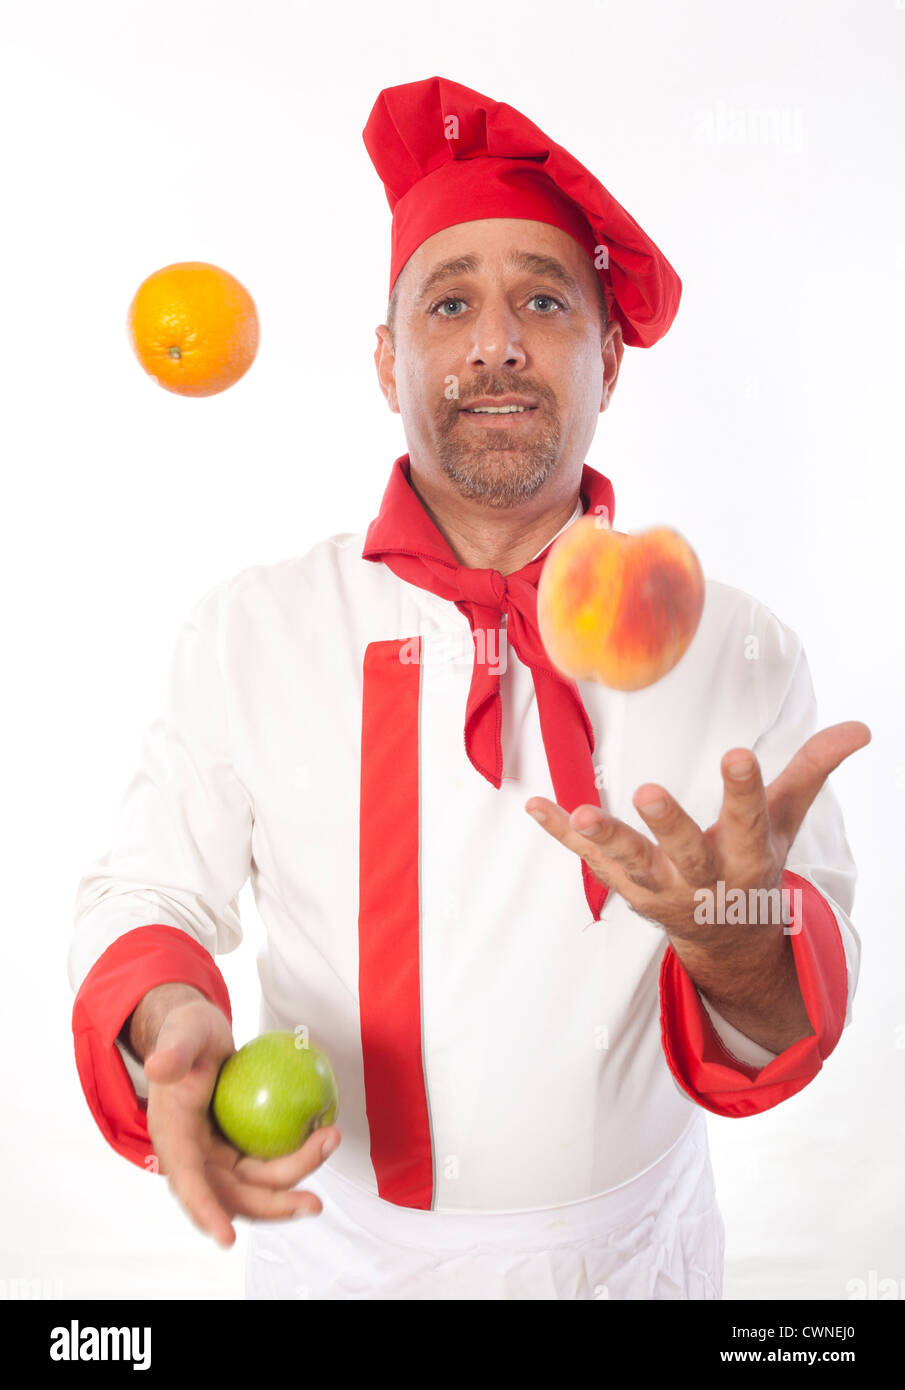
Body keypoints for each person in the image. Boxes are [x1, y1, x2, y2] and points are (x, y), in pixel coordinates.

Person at [69, 75, 870, 1300]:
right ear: (389, 362)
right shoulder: (254, 629)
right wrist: (172, 1023)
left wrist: (735, 947)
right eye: (451, 302)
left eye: (543, 300)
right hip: (334, 1265)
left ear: (607, 355)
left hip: (634, 1268)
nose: (496, 338)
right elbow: (147, 890)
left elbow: (792, 995)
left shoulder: (736, 649)